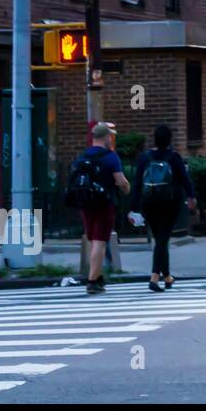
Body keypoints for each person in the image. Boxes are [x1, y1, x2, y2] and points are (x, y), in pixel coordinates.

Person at [130, 125, 197, 293]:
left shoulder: (145, 158)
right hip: (170, 203)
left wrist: (133, 208)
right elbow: (185, 179)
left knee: (160, 238)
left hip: (149, 202)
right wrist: (191, 197)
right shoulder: (173, 157)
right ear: (169, 140)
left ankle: (167, 276)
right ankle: (154, 276)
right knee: (162, 239)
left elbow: (137, 184)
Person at [74, 122, 130, 294]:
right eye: (110, 136)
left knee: (93, 241)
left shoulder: (83, 156)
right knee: (100, 242)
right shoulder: (110, 157)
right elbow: (121, 181)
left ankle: (98, 277)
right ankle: (92, 281)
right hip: (105, 204)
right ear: (106, 137)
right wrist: (127, 189)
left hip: (86, 203)